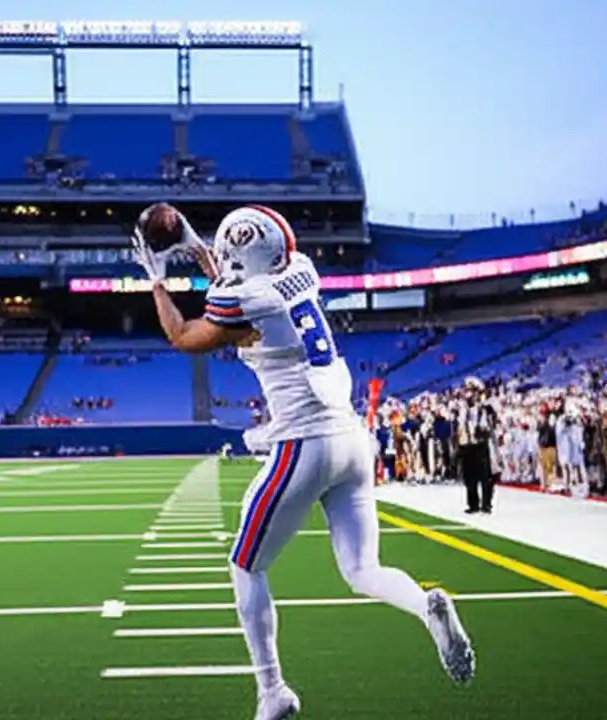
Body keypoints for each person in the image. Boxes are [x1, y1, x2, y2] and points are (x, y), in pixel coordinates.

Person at [131, 204, 475, 719]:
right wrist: (192, 243)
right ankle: (426, 608)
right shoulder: (298, 272)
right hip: (352, 440)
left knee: (245, 565)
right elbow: (232, 276)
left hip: (302, 444)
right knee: (363, 569)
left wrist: (157, 281)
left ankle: (272, 691)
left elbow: (184, 336)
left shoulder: (243, 297)